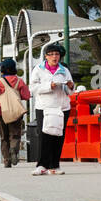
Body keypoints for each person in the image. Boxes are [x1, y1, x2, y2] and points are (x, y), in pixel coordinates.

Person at [32, 42, 75, 175]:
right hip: (44, 107)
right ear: (46, 56)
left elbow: (70, 92)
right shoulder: (38, 69)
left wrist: (70, 86)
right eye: (51, 54)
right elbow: (33, 88)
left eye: (57, 54)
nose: (54, 57)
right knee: (44, 135)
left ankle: (55, 165)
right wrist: (48, 86)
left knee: (58, 136)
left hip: (61, 107)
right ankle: (41, 165)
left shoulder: (64, 70)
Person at [0, 58, 31, 168]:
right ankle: (14, 150)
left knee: (4, 137)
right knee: (15, 135)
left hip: (1, 113)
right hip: (16, 113)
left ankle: (7, 160)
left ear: (3, 69)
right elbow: (26, 96)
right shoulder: (20, 81)